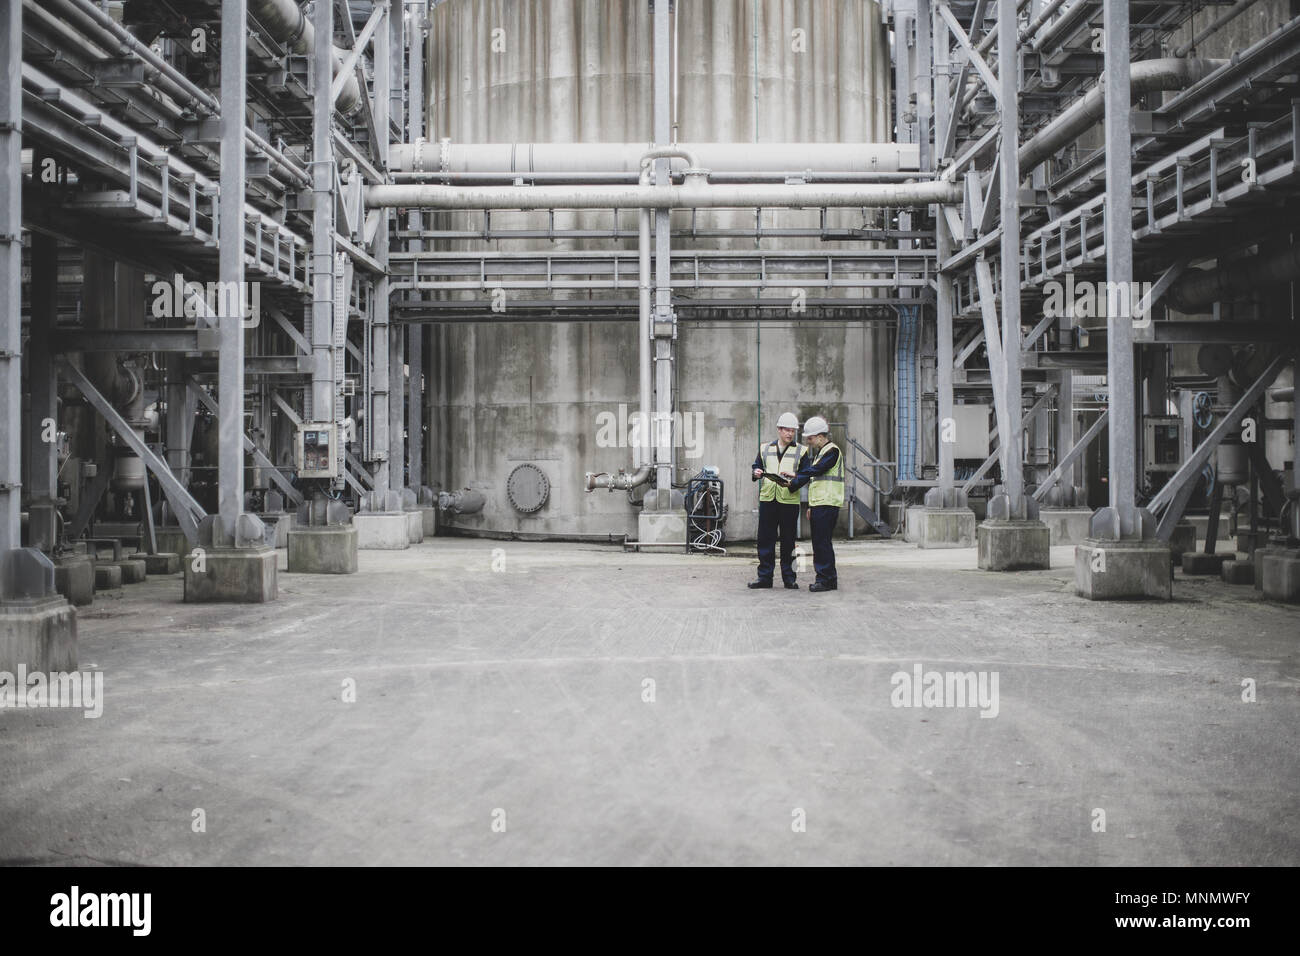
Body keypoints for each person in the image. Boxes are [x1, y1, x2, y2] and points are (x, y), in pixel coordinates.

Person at [747, 412, 806, 589]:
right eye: (787, 430)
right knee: (765, 540)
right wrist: (756, 472)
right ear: (779, 430)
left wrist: (794, 480)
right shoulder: (765, 448)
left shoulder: (801, 451)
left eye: (793, 431)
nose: (790, 434)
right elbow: (757, 466)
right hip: (768, 499)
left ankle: (790, 578)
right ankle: (765, 577)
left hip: (789, 501)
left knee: (789, 541)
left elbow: (806, 475)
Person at [785, 416, 843, 592]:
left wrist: (796, 476)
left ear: (819, 436)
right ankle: (828, 579)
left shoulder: (832, 452)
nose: (808, 442)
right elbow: (816, 479)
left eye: (809, 438)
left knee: (821, 543)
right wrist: (811, 506)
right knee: (821, 542)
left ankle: (825, 580)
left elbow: (817, 471)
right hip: (820, 503)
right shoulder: (822, 453)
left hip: (827, 502)